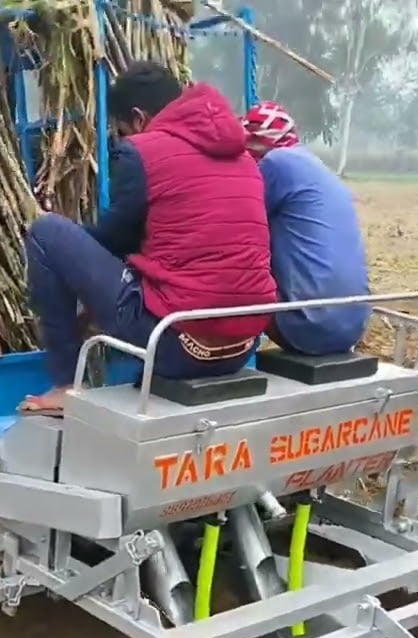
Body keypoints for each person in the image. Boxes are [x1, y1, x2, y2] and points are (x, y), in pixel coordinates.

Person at [17, 62, 277, 415]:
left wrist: (79, 287)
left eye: (122, 130)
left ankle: (66, 384)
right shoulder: (243, 158)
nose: (124, 138)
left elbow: (114, 240)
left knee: (48, 233)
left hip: (176, 346)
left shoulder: (143, 150)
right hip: (242, 348)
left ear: (138, 118)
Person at [241, 101, 370, 355]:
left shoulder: (275, 163)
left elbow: (237, 222)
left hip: (308, 327)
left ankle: (219, 360)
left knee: (228, 269)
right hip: (354, 324)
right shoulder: (315, 165)